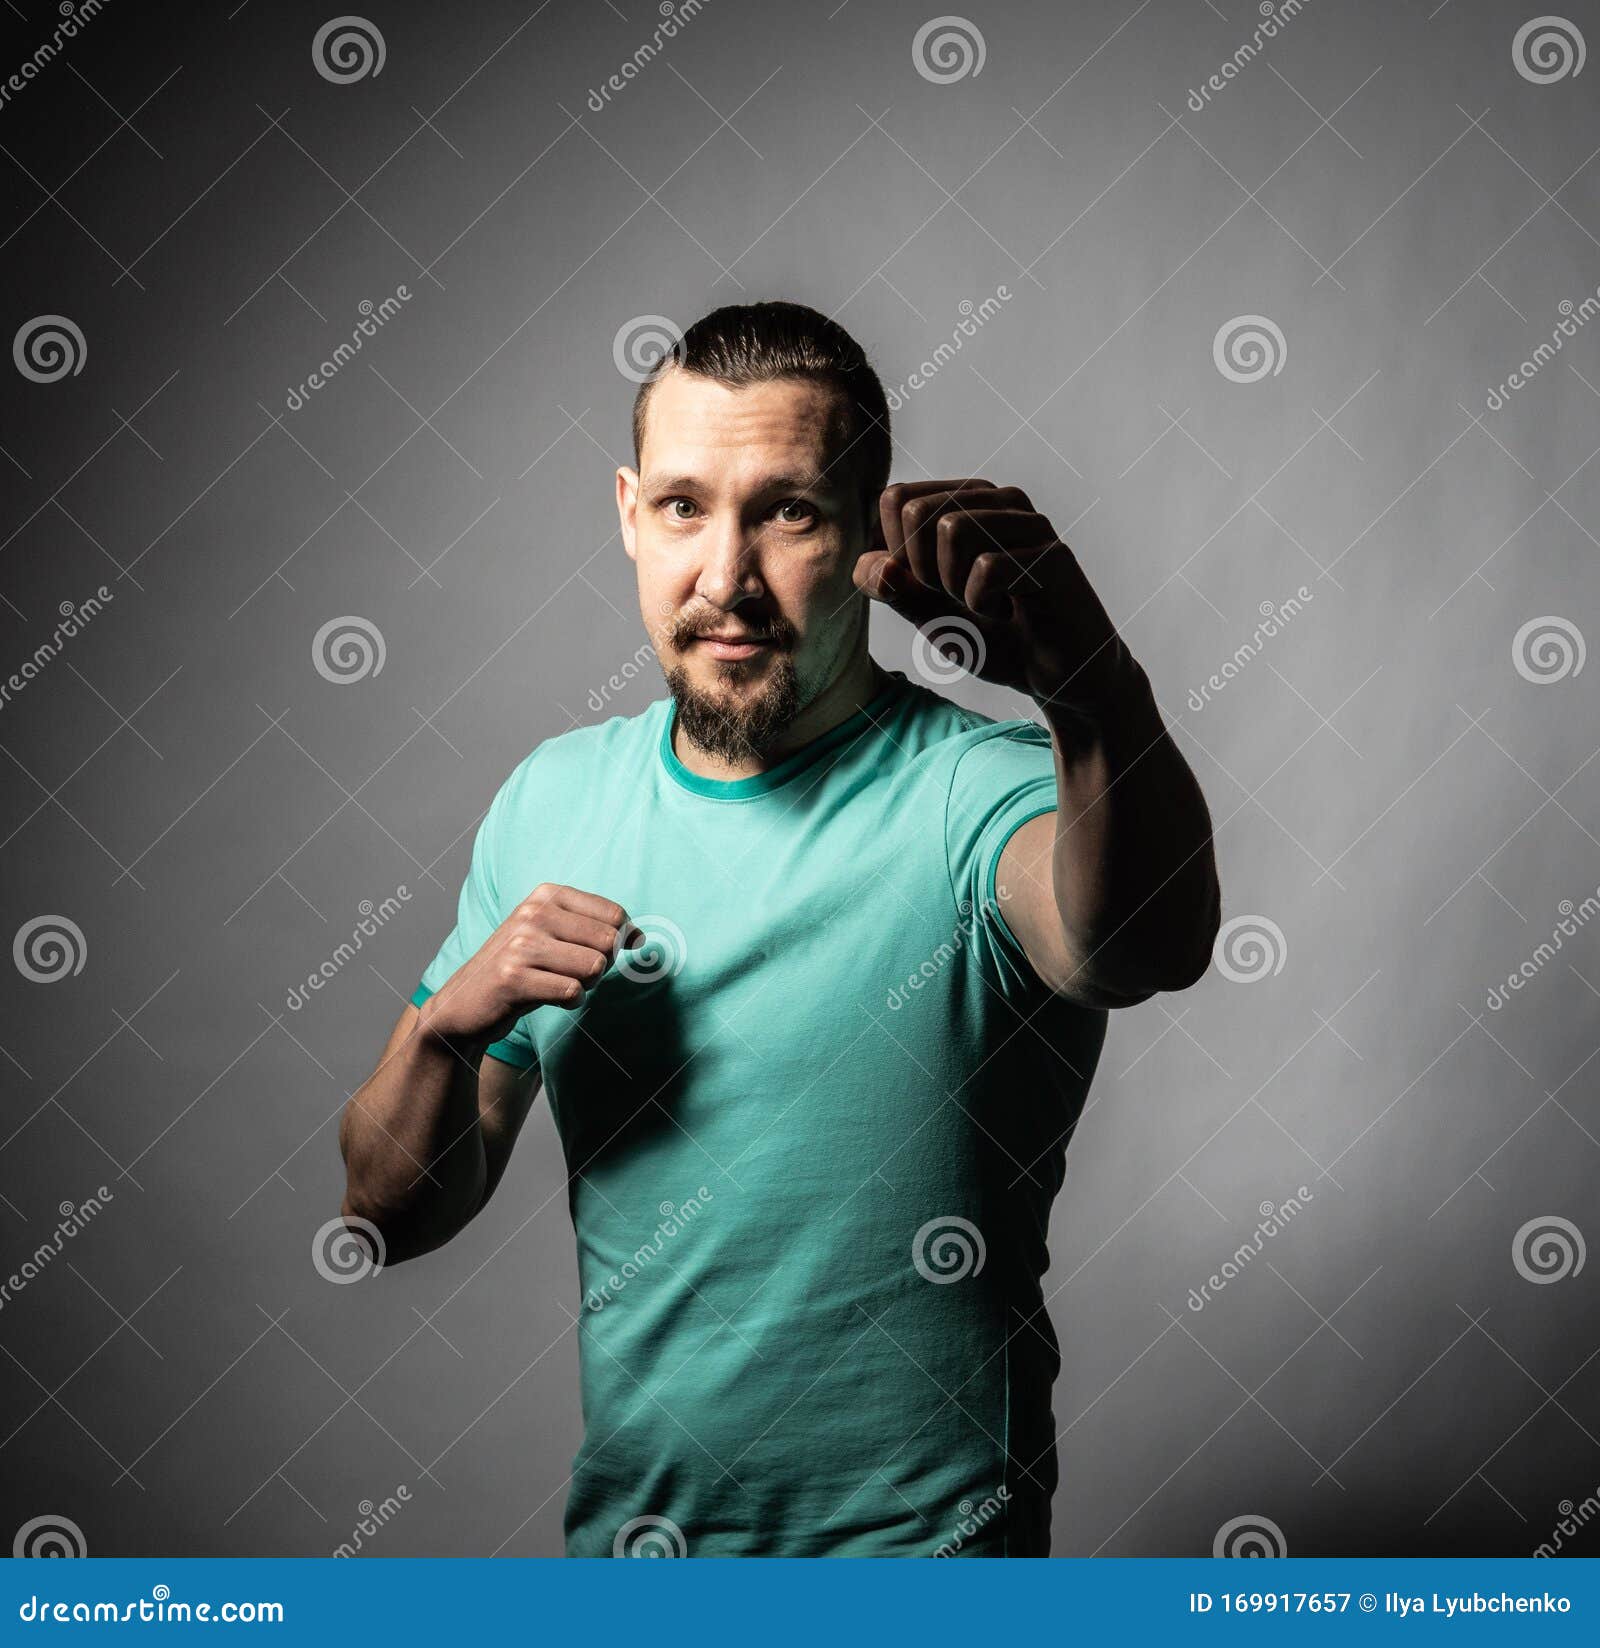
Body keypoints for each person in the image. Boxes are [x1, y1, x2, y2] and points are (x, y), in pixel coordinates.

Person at [337, 299, 1220, 1557]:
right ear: (630, 514)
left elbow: (1141, 943)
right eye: (686, 507)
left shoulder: (982, 787)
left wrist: (1090, 689)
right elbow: (386, 1210)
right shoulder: (554, 798)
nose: (726, 578)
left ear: (866, 532)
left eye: (788, 511)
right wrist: (442, 1036)